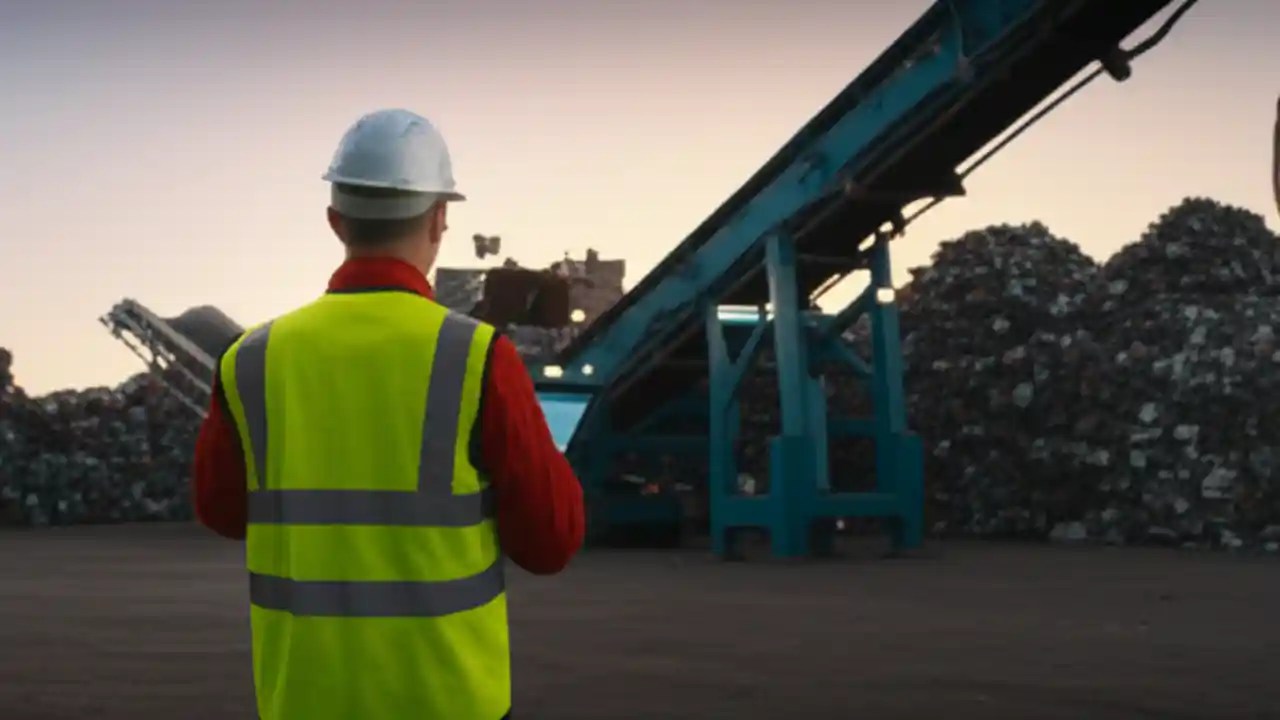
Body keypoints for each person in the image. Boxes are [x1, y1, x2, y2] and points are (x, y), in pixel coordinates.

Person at [191, 108, 586, 720]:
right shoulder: (477, 357)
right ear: (439, 219)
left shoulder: (249, 360)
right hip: (449, 699)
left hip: (302, 699)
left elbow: (221, 513)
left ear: (335, 221)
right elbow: (550, 543)